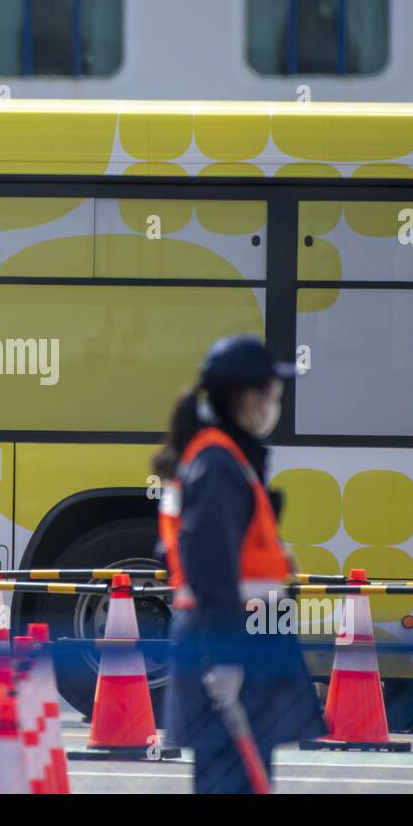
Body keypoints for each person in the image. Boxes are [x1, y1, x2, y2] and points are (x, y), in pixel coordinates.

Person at [156, 335, 325, 792]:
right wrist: (225, 657)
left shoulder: (224, 456)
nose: (275, 404)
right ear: (245, 397)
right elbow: (207, 563)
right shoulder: (219, 461)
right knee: (234, 779)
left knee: (240, 777)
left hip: (243, 637)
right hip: (234, 644)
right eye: (271, 393)